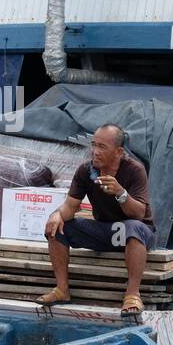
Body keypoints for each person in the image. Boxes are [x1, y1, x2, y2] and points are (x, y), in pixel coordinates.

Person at [39, 123, 155, 314]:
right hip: (104, 231)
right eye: (94, 145)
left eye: (102, 147)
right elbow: (71, 206)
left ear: (118, 152)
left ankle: (132, 295)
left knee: (133, 227)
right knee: (57, 226)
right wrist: (56, 214)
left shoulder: (135, 170)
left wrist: (120, 193)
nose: (95, 152)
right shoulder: (86, 171)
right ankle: (62, 289)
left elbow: (139, 214)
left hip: (139, 233)